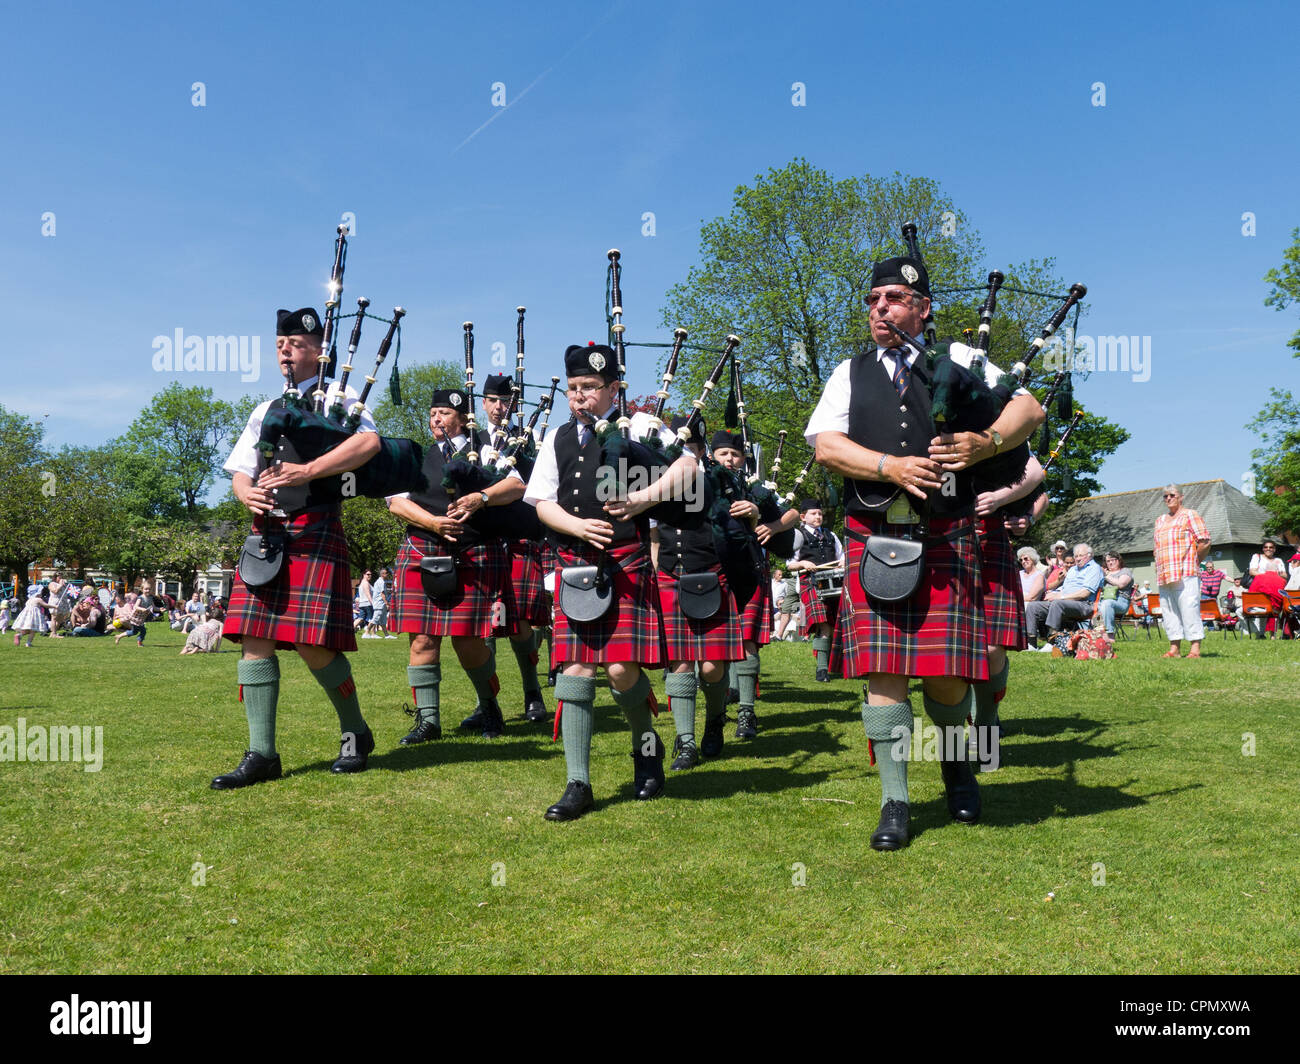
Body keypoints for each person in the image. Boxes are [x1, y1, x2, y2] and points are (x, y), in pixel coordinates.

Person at [806, 254, 1045, 851]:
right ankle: (895, 800)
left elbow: (1030, 409)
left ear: (922, 307)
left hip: (947, 534)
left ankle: (957, 764)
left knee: (943, 678)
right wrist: (888, 465)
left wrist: (986, 441)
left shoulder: (960, 359)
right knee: (883, 674)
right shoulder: (849, 373)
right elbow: (827, 446)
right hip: (876, 536)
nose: (879, 308)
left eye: (892, 298)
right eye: (872, 300)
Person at [524, 343, 699, 821]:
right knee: (575, 671)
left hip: (625, 561)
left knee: (622, 671)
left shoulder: (639, 426)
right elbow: (541, 501)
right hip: (575, 561)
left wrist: (643, 499)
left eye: (591, 389)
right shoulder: (556, 437)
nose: (580, 397)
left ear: (613, 389)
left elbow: (689, 469)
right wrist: (575, 526)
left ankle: (647, 747)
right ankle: (577, 782)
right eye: (574, 389)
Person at [212, 306, 382, 790]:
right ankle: (261, 753)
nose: (287, 349)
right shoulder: (265, 409)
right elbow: (241, 469)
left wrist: (308, 471)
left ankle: (355, 732)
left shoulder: (342, 400)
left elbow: (368, 444)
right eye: (281, 343)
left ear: (320, 350)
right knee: (253, 638)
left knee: (313, 645)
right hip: (267, 533)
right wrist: (245, 492)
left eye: (298, 343)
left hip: (315, 527)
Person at [388, 387, 517, 744]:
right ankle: (428, 721)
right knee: (422, 641)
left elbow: (517, 486)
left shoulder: (487, 453)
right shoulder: (416, 457)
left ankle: (489, 706)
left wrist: (482, 497)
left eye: (444, 413)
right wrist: (432, 523)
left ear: (462, 417)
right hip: (423, 551)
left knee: (469, 642)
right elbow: (396, 503)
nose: (436, 420)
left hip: (473, 552)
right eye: (433, 414)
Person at [651, 426, 745, 769]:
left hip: (710, 575)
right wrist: (655, 571)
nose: (685, 451)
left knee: (711, 666)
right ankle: (686, 740)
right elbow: (654, 536)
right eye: (680, 445)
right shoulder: (657, 482)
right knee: (679, 663)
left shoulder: (718, 481)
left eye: (691, 445)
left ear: (702, 449)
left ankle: (715, 719)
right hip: (670, 577)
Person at [460, 373, 550, 726]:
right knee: (486, 623)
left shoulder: (526, 442)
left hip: (517, 540)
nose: (500, 408)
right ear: (483, 402)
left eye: (507, 402)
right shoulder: (470, 440)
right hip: (482, 542)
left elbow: (529, 487)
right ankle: (487, 703)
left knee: (520, 624)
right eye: (494, 401)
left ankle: (532, 692)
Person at [711, 430, 800, 741]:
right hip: (713, 573)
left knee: (747, 641)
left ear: (744, 459)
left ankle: (746, 711)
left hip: (750, 570)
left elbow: (793, 514)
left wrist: (763, 518)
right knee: (714, 647)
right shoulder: (705, 484)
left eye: (735, 455)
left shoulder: (755, 488)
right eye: (723, 454)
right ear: (713, 457)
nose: (729, 459)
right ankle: (718, 709)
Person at [787, 499, 844, 682]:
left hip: (833, 583)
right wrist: (802, 563)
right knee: (824, 623)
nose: (818, 516)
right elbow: (789, 564)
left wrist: (843, 561)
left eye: (819, 513)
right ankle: (822, 670)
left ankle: (833, 665)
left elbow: (841, 556)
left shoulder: (830, 535)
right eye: (813, 513)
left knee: (834, 624)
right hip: (810, 583)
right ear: (803, 517)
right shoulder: (797, 536)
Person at [1153, 483, 1211, 658]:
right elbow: (1156, 547)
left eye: (1172, 495)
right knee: (1169, 610)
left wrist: (1194, 561)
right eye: (1166, 496)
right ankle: (1174, 649)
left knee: (1189, 608)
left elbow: (1204, 541)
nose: (1169, 498)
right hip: (1164, 573)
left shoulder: (1189, 515)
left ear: (1181, 497)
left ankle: (1195, 649)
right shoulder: (1160, 520)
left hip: (1186, 571)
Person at [1024, 544, 1104, 649]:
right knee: (1033, 606)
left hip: (1085, 605)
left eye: (1081, 555)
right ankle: (1031, 643)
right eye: (1076, 556)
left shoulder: (1094, 569)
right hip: (1065, 603)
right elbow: (1065, 591)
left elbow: (1084, 593)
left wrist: (1060, 598)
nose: (1078, 558)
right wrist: (1054, 594)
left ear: (1089, 555)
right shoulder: (1073, 570)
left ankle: (1052, 642)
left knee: (1057, 604)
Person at [1098, 552, 1134, 637]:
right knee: (1093, 606)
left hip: (1120, 602)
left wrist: (1106, 575)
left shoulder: (1125, 571)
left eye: (1112, 560)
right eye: (1107, 561)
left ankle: (1109, 633)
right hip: (1103, 600)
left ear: (1118, 560)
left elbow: (1121, 584)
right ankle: (1095, 635)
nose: (1110, 563)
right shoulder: (1103, 574)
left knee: (1107, 603)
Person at [356, 569, 375, 636]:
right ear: (364, 575)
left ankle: (349, 630)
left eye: (370, 574)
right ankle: (371, 634)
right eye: (368, 574)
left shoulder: (363, 582)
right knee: (372, 619)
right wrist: (373, 603)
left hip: (362, 604)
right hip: (367, 603)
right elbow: (368, 594)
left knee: (360, 618)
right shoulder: (365, 583)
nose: (369, 576)